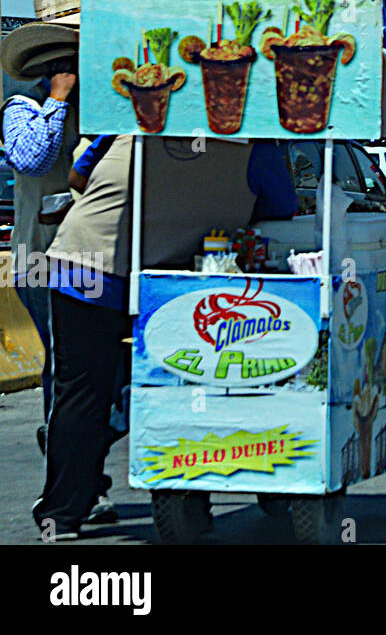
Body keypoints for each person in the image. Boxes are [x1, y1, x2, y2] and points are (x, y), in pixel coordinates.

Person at [33, 136, 296, 540]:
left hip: (84, 263)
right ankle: (198, 496)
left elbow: (78, 176)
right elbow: (281, 209)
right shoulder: (255, 144)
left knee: (82, 391)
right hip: (166, 276)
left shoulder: (127, 121)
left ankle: (62, 515)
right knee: (194, 386)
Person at [0, 0, 82, 453]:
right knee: (66, 359)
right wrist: (58, 99)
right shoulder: (23, 108)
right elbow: (32, 159)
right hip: (44, 258)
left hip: (99, 253)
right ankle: (64, 454)